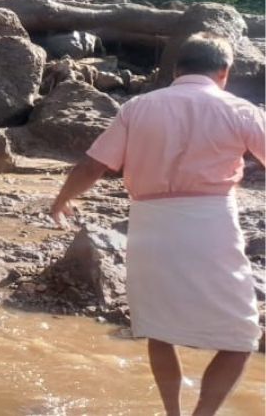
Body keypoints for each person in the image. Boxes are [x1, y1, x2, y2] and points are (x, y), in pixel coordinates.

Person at [49, 34, 265, 416]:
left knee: (159, 328)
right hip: (211, 222)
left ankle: (173, 414)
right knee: (242, 336)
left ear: (176, 70)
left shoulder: (138, 107)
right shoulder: (240, 110)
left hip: (150, 223)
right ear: (224, 73)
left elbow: (92, 166)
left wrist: (62, 200)